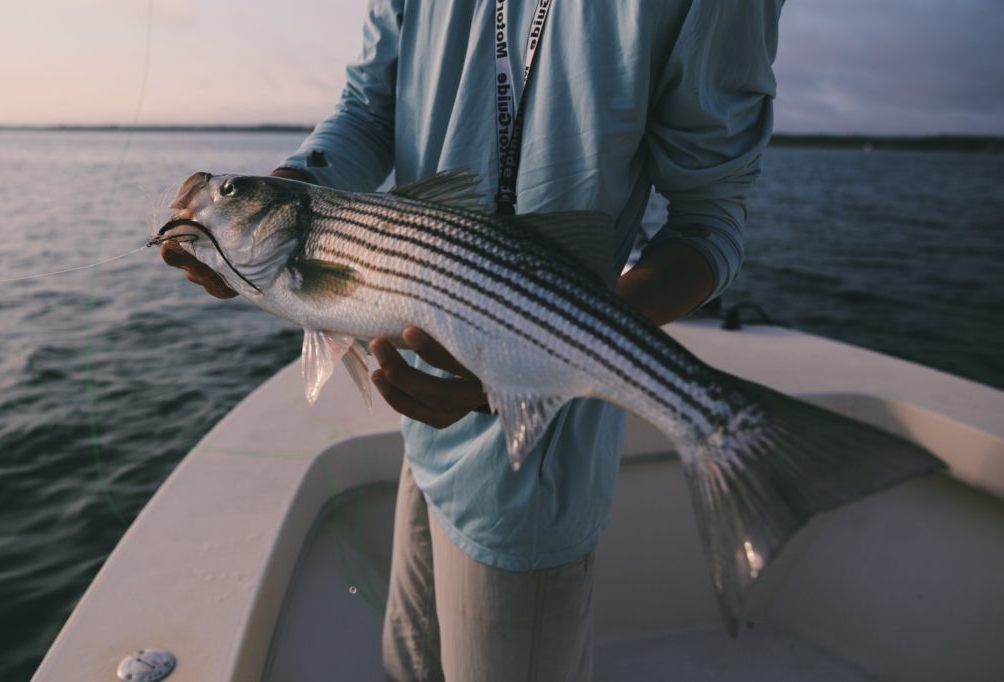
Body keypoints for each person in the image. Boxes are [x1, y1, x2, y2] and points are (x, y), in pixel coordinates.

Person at [161, 1, 782, 678]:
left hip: (536, 471)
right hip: (423, 438)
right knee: (410, 668)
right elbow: (370, 105)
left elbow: (709, 219)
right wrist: (285, 197)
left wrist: (529, 343)